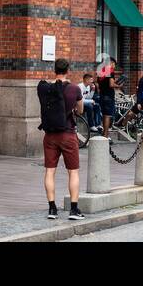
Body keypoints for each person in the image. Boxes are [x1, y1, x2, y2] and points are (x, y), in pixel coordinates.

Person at [38, 57, 84, 221]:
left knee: (50, 171)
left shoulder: (46, 88)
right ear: (68, 70)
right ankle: (73, 209)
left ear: (54, 70)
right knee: (73, 172)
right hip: (68, 133)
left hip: (50, 135)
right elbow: (80, 109)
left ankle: (52, 208)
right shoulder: (74, 89)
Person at [96, 57, 117, 136]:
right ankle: (106, 134)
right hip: (109, 95)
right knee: (108, 115)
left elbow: (97, 84)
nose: (114, 66)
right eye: (114, 64)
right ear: (111, 63)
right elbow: (111, 84)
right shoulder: (110, 72)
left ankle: (104, 133)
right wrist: (118, 85)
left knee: (104, 114)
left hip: (102, 95)